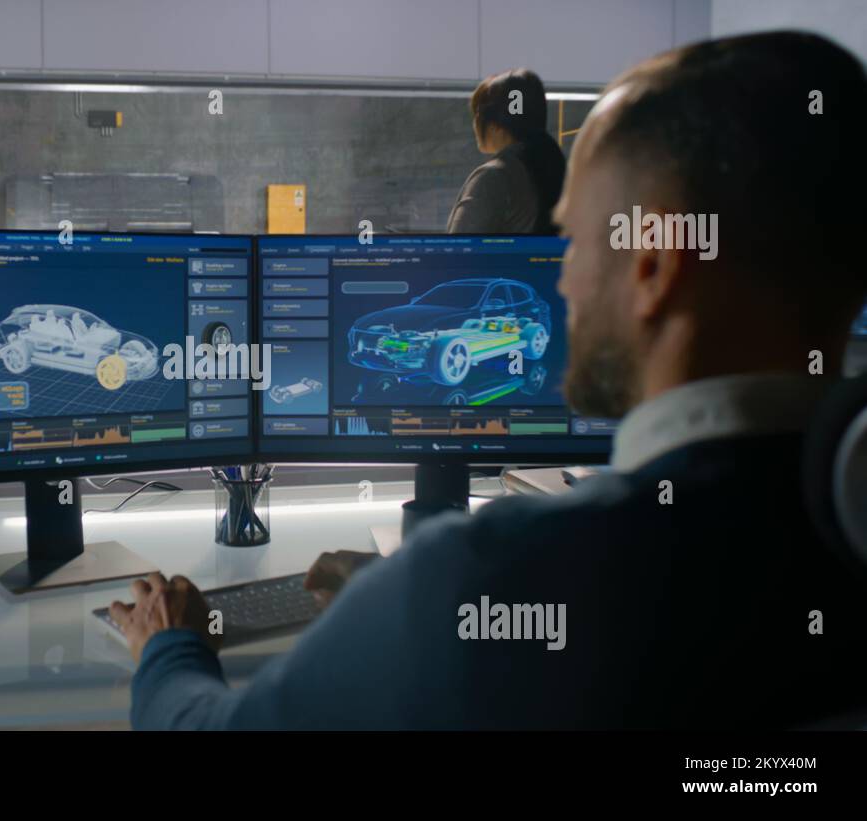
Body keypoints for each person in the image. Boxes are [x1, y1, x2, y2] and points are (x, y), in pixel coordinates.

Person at [110, 31, 867, 730]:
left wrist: (170, 646)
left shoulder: (488, 575)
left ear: (653, 265)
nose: (557, 278)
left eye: (570, 241)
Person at [446, 68, 567, 234]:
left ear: (495, 126)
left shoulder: (494, 178)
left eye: (477, 114)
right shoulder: (559, 169)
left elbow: (457, 253)